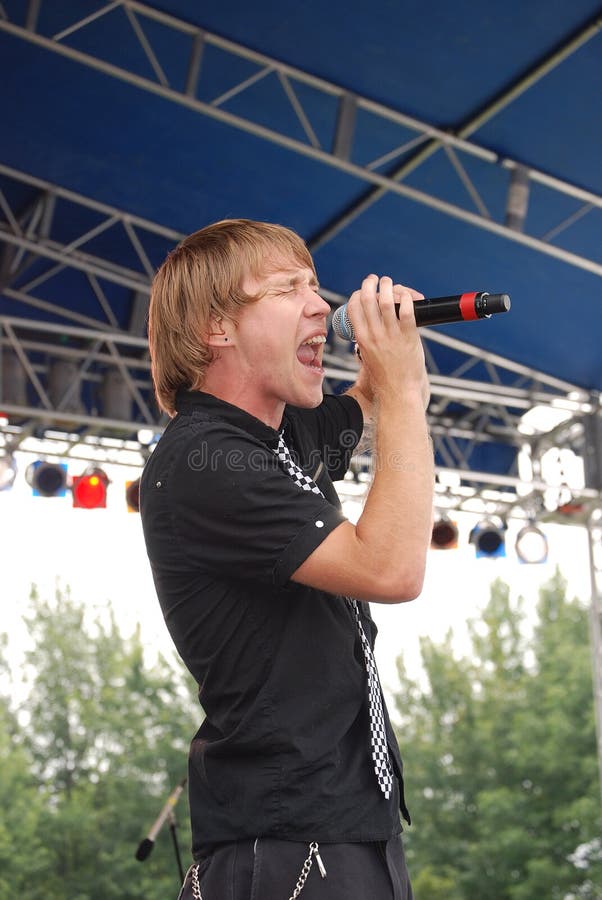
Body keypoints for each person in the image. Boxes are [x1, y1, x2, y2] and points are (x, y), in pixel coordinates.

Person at [140, 218, 434, 899]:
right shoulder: (207, 459)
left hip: (342, 828)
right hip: (288, 840)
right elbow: (391, 569)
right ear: (217, 327)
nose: (319, 306)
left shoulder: (278, 437)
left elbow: (369, 404)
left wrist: (393, 356)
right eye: (287, 289)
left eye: (314, 285)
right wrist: (400, 391)